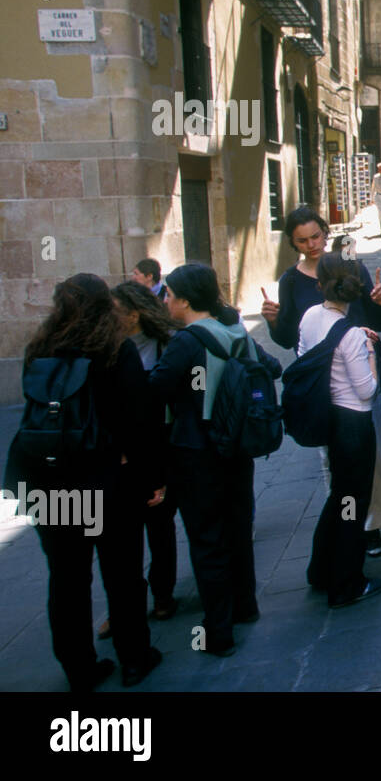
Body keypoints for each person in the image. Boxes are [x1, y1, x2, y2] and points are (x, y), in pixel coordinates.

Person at [11, 274, 164, 690]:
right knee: (123, 573)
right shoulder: (116, 350)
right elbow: (139, 421)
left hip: (50, 480)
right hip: (107, 480)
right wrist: (152, 477)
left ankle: (78, 668)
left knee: (66, 577)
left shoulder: (38, 350)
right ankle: (135, 659)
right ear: (106, 307)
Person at [149, 264, 277, 657]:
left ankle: (217, 631)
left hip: (197, 451)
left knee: (207, 540)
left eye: (168, 295)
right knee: (237, 529)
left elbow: (154, 390)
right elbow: (272, 368)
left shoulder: (187, 341)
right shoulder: (235, 330)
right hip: (236, 446)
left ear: (185, 300)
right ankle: (245, 606)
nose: (165, 301)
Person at [261, 206, 381, 556]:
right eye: (302, 241)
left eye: (316, 236)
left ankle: (369, 525)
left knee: (370, 457)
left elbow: (375, 320)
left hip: (360, 377)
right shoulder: (291, 281)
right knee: (331, 463)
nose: (312, 245)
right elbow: (291, 336)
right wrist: (275, 322)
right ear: (293, 243)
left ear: (325, 230)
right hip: (324, 388)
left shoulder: (348, 263)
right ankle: (346, 523)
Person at [300, 254, 381, 608]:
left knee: (339, 497)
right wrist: (369, 353)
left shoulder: (310, 317)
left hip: (328, 419)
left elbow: (304, 355)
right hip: (353, 424)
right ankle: (347, 581)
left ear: (320, 284)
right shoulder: (352, 335)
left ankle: (320, 569)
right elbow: (367, 390)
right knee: (353, 503)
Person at [96, 282, 179, 643]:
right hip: (123, 451)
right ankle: (123, 607)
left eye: (118, 310)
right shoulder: (106, 347)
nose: (112, 317)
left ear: (137, 311)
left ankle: (163, 594)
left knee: (160, 522)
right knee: (119, 537)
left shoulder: (166, 342)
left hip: (160, 444)